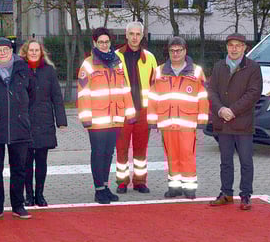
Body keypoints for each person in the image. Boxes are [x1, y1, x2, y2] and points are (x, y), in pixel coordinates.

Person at [0, 37, 35, 220]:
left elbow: (32, 95)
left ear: (12, 51)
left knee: (19, 169)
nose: (2, 53)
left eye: (6, 49)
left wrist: (26, 117)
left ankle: (18, 205)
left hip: (19, 126)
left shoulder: (24, 70)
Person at [78, 27, 136, 204]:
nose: (104, 45)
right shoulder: (88, 64)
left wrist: (130, 113)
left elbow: (125, 89)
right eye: (101, 42)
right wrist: (86, 118)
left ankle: (105, 186)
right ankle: (98, 190)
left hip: (115, 119)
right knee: (98, 153)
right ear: (95, 43)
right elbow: (83, 93)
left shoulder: (116, 62)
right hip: (97, 120)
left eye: (107, 42)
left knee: (108, 153)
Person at [147, 37, 208, 199]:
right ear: (168, 52)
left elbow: (203, 96)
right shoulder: (159, 71)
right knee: (171, 155)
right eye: (172, 50)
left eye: (179, 50)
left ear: (185, 51)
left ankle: (189, 187)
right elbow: (153, 96)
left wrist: (202, 120)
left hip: (188, 123)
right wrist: (152, 120)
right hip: (167, 122)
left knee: (187, 154)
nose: (175, 53)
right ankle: (174, 187)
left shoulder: (196, 71)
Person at [208, 33, 262, 210]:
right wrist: (221, 110)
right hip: (223, 122)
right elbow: (212, 92)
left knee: (246, 161)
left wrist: (233, 110)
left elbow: (253, 93)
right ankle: (226, 193)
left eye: (238, 45)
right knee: (225, 161)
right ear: (227, 47)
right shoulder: (218, 67)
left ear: (244, 48)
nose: (234, 48)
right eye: (231, 45)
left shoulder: (253, 68)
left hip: (243, 123)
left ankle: (245, 195)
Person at [21, 39, 68, 207]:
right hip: (25, 123)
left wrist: (61, 120)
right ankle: (28, 195)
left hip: (44, 122)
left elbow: (56, 97)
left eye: (36, 50)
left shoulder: (49, 71)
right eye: (31, 50)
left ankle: (40, 194)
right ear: (25, 52)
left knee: (41, 162)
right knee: (26, 163)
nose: (34, 53)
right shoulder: (20, 70)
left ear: (41, 52)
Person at [114, 21, 157, 194]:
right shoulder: (115, 56)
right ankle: (122, 182)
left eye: (137, 34)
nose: (134, 37)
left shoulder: (150, 57)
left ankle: (140, 181)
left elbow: (155, 85)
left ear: (142, 36)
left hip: (143, 110)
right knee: (122, 148)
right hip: (123, 111)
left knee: (141, 148)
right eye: (131, 34)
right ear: (126, 35)